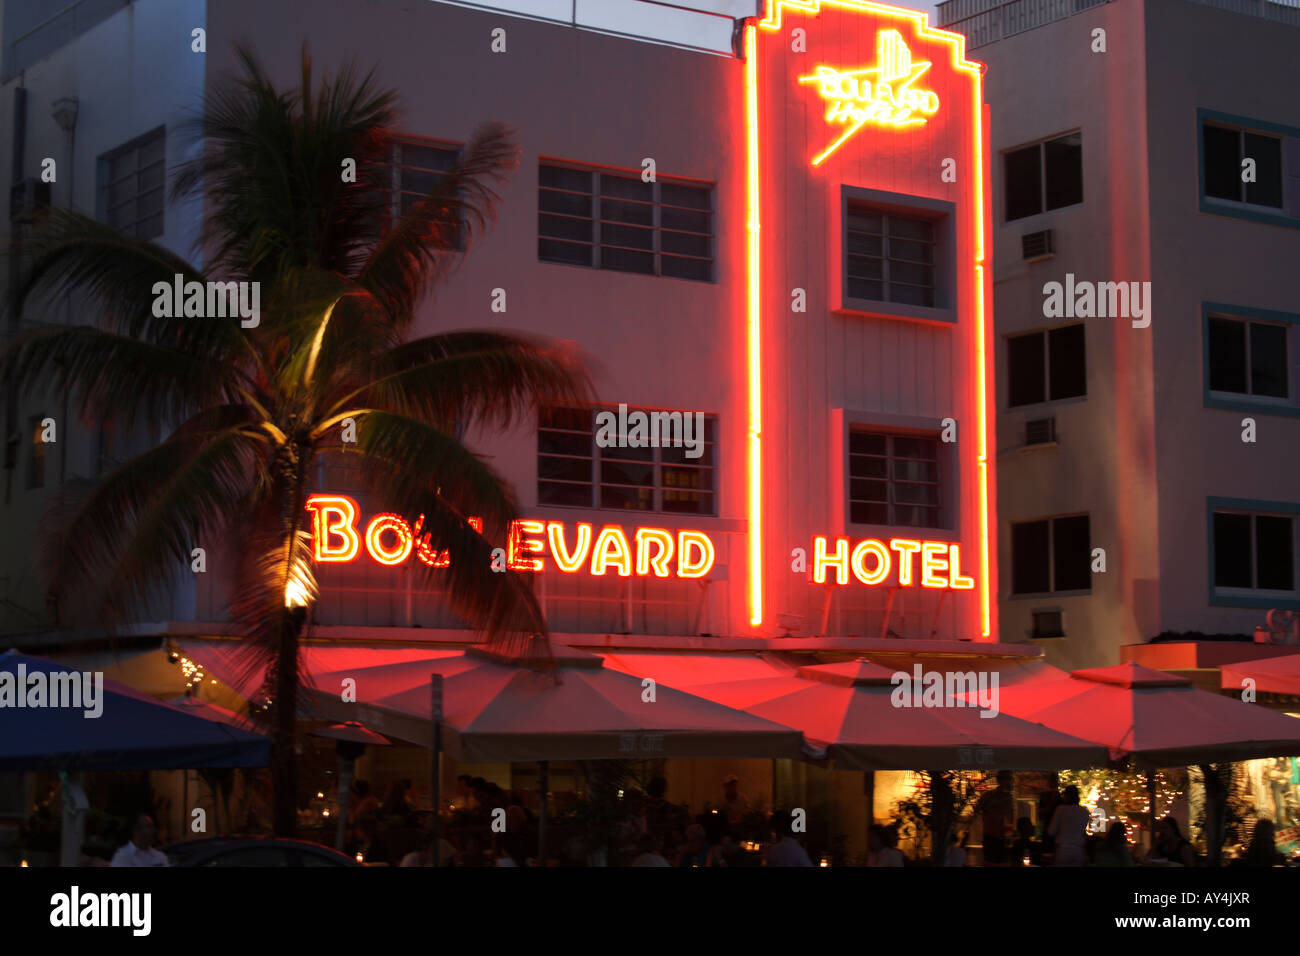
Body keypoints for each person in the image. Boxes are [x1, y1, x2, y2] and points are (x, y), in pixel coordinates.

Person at [975, 771, 1016, 866]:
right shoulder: (992, 796)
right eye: (1008, 780)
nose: (1009, 782)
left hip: (996, 836)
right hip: (994, 836)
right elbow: (1009, 818)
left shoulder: (992, 796)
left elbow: (977, 810)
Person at [1047, 785, 1090, 866]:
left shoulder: (1061, 810)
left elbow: (1051, 831)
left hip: (1062, 850)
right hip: (1078, 850)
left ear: (1067, 796)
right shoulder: (1084, 811)